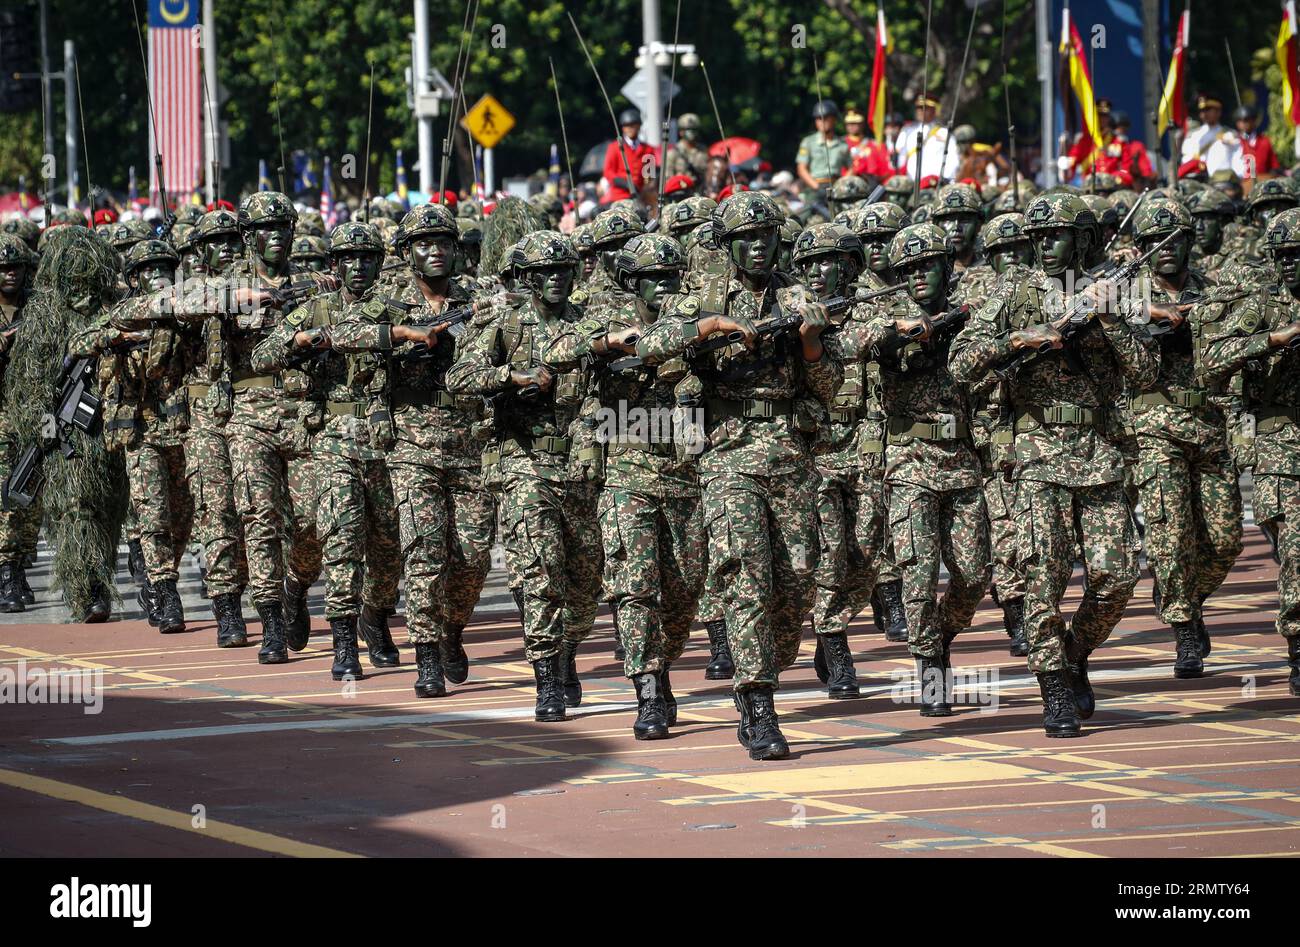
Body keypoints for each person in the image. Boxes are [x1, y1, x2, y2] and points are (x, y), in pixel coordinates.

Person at [633, 191, 841, 760]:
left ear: (778, 242)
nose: (755, 245)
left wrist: (813, 343)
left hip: (789, 455)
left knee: (797, 581)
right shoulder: (700, 296)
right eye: (744, 238)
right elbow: (650, 346)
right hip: (726, 452)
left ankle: (767, 666)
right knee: (745, 575)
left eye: (765, 236)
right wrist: (709, 327)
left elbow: (832, 390)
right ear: (727, 246)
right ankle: (757, 703)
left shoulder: (799, 297)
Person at [950, 192, 1158, 737]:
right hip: (1037, 450)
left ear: (1083, 239)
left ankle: (1074, 651)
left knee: (1117, 575)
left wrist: (1108, 315)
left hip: (1100, 451)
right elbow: (961, 362)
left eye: (1058, 235)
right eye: (1038, 238)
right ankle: (1054, 688)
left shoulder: (1112, 289)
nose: (1046, 246)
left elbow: (1145, 372)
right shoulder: (1012, 290)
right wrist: (1020, 338)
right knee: (1042, 575)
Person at [331, 204, 499, 695]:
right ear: (406, 253)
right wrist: (401, 333)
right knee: (423, 551)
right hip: (410, 443)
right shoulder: (387, 301)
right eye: (424, 244)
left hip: (469, 440)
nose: (435, 252)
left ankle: (451, 630)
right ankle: (426, 653)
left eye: (443, 243)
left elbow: (516, 315)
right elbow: (340, 333)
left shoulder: (478, 297)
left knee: (472, 557)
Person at [544, 233, 703, 738]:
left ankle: (663, 661)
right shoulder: (606, 322)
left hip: (686, 472)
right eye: (651, 278)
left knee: (684, 589)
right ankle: (649, 688)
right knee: (635, 589)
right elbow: (558, 349)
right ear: (632, 282)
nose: (663, 285)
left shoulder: (698, 322)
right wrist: (606, 343)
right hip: (627, 470)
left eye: (670, 276)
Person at [446, 231, 604, 722]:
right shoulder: (504, 323)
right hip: (523, 463)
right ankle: (546, 678)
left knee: (585, 577)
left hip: (580, 468)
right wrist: (510, 378)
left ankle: (567, 651)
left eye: (563, 270)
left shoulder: (589, 324)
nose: (556, 279)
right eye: (546, 272)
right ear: (530, 278)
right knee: (539, 572)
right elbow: (459, 379)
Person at [846, 223, 990, 716]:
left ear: (946, 267)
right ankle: (929, 662)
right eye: (908, 269)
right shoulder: (884, 311)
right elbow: (855, 340)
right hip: (908, 459)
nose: (918, 276)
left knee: (974, 573)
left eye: (927, 265)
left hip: (962, 458)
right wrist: (899, 332)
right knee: (918, 572)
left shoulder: (971, 308)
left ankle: (944, 633)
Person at [252, 220, 401, 682]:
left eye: (367, 258)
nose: (359, 267)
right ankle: (342, 642)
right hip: (333, 438)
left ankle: (373, 618)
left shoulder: (399, 308)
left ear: (379, 263)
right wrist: (295, 341)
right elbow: (262, 354)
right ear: (335, 265)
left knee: (389, 545)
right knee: (340, 538)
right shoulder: (318, 309)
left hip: (389, 442)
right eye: (349, 259)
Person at [1125, 197, 1245, 678]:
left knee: (1225, 539)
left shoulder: (1213, 291)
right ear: (1141, 249)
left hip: (1209, 426)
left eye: (1174, 240)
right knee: (1171, 535)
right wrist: (1152, 311)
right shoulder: (1124, 293)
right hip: (1155, 428)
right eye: (1154, 242)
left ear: (1191, 243)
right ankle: (1185, 627)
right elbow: (1086, 303)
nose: (1165, 250)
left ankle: (1185, 593)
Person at [1198, 206, 1300, 697]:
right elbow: (1211, 358)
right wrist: (1271, 340)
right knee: (1298, 554)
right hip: (1281, 448)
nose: (1289, 266)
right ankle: (1299, 648)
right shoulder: (1263, 303)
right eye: (1281, 257)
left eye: (1297, 256)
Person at [71, 240, 192, 635]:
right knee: (152, 513)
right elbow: (78, 343)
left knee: (183, 515)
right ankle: (164, 590)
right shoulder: (120, 315)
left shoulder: (184, 312)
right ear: (134, 278)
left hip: (182, 429)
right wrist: (115, 340)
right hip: (139, 432)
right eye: (149, 268)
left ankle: (161, 573)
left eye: (164, 267)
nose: (158, 275)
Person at [793, 223, 881, 699]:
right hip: (816, 449)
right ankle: (836, 644)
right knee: (827, 555)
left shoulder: (875, 307)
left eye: (826, 262)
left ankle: (833, 629)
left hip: (867, 446)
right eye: (807, 264)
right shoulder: (790, 312)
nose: (816, 272)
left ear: (848, 267)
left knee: (868, 552)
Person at [0, 235, 41, 612]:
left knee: (32, 497)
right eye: (2, 268)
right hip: (2, 415)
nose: (10, 273)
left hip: (34, 412)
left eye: (15, 267)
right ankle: (7, 571)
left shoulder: (38, 307)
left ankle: (20, 563)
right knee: (6, 498)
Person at [895, 96, 957, 182]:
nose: (920, 111)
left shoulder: (944, 133)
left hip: (935, 183)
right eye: (918, 108)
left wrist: (944, 178)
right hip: (912, 182)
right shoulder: (907, 131)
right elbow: (900, 159)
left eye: (925, 108)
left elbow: (953, 159)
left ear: (935, 110)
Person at [602, 107, 656, 204]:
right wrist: (626, 184)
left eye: (633, 125)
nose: (630, 128)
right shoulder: (614, 147)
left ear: (639, 126)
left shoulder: (648, 149)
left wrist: (647, 186)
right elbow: (608, 172)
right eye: (626, 126)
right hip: (620, 195)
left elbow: (650, 174)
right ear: (623, 128)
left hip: (641, 196)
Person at [796, 100, 851, 196]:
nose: (821, 121)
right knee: (807, 210)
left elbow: (851, 167)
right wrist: (816, 187)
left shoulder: (842, 144)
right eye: (818, 118)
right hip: (815, 187)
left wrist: (842, 184)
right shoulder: (808, 142)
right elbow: (801, 169)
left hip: (837, 188)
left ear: (834, 119)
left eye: (825, 118)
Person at [1181, 95, 1242, 177]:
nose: (1204, 114)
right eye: (1202, 110)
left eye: (1208, 110)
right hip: (1199, 179)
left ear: (1218, 112)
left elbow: (1237, 159)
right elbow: (1186, 159)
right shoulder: (1193, 135)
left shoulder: (1230, 134)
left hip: (1223, 180)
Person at [1095, 111, 1154, 187]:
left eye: (1123, 127)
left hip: (1125, 186)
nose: (1119, 131)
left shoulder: (1135, 146)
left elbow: (1146, 172)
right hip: (1102, 183)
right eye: (1116, 128)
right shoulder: (1101, 146)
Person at [1232, 106, 1281, 183]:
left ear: (1254, 121)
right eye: (1240, 121)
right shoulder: (1234, 141)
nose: (1243, 124)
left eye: (1246, 120)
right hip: (1240, 186)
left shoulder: (1264, 141)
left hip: (1261, 184)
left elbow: (1274, 166)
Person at [663, 113, 710, 182]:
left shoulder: (704, 151)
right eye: (688, 129)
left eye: (694, 129)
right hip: (681, 190)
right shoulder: (672, 153)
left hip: (701, 190)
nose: (692, 132)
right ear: (681, 132)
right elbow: (668, 180)